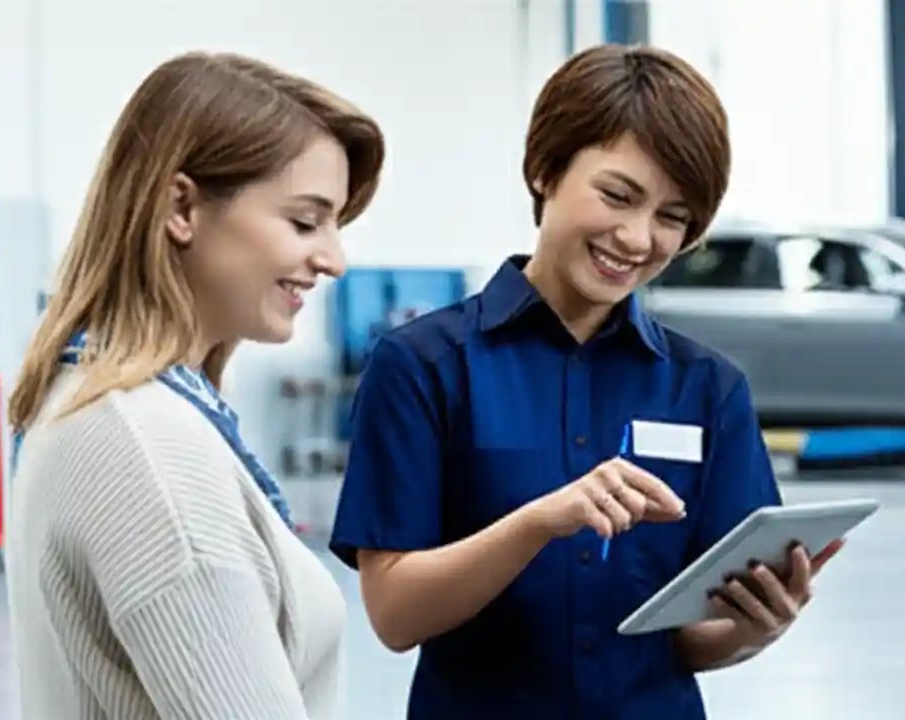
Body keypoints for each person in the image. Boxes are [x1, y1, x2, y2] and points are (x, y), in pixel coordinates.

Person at [330, 44, 842, 719]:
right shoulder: (423, 366)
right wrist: (543, 521)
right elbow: (396, 614)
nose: (637, 238)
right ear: (545, 170)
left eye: (672, 216)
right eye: (618, 195)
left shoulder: (708, 389)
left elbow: (691, 639)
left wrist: (753, 628)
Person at [5, 51, 384, 720]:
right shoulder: (145, 450)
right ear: (181, 207)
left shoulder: (100, 404)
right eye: (304, 221)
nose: (333, 259)